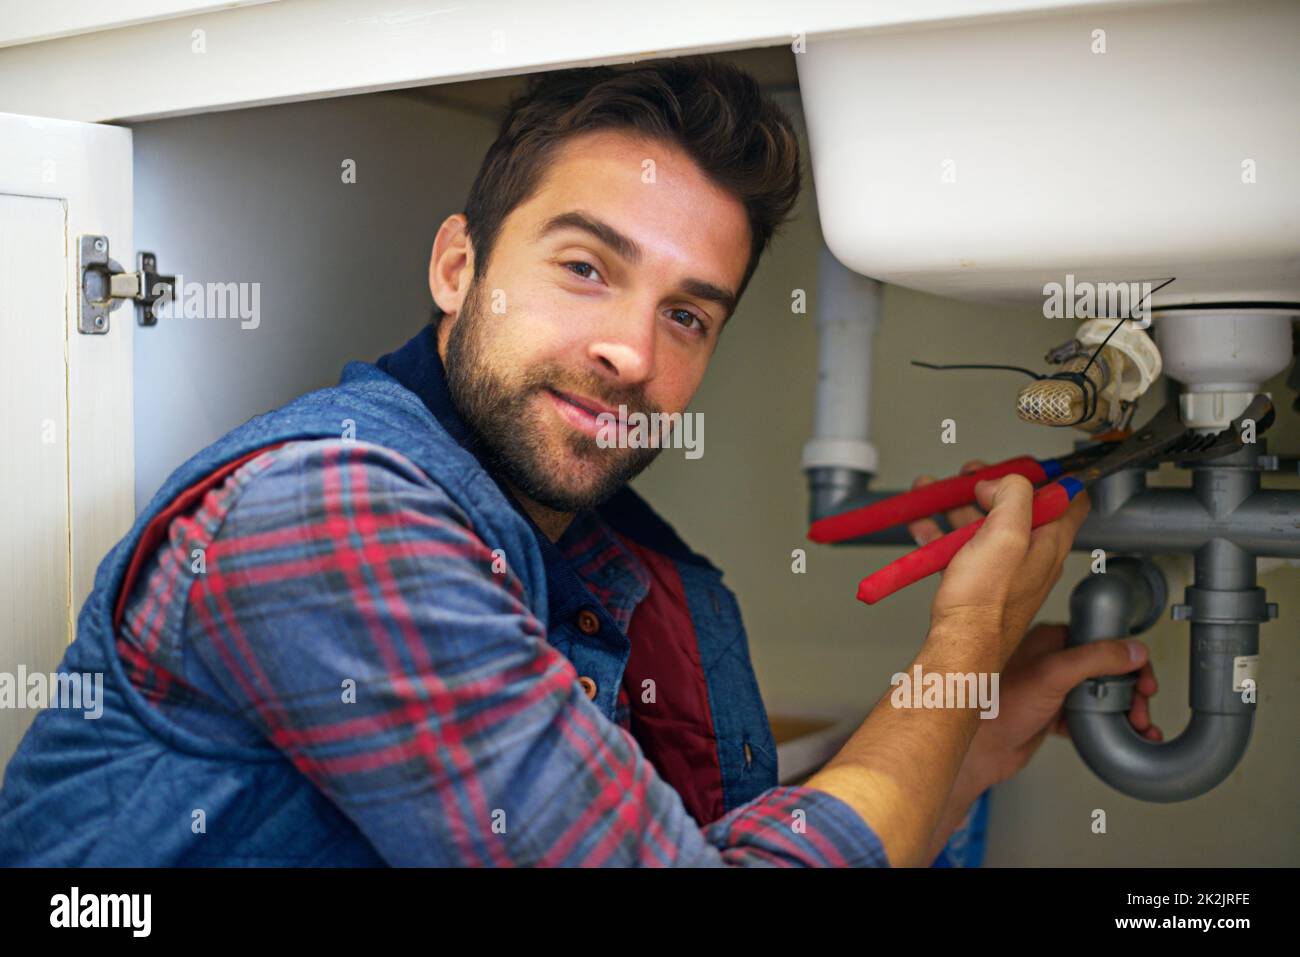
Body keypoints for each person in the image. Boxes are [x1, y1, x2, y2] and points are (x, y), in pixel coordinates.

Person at [0, 57, 1160, 867]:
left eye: (689, 316)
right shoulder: (333, 517)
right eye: (586, 269)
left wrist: (966, 725)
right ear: (458, 268)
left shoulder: (603, 563)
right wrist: (961, 643)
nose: (629, 352)